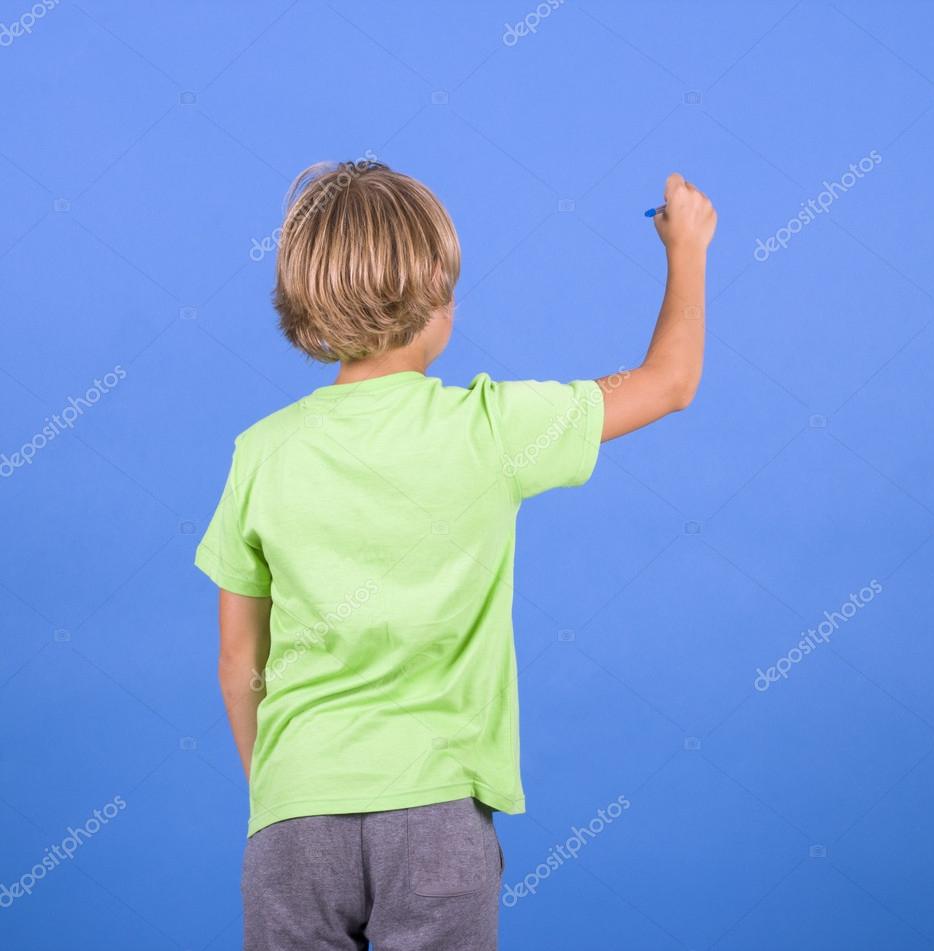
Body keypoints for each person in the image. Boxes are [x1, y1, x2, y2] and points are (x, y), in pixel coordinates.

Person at [195, 160, 715, 950]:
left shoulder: (260, 453)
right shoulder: (492, 428)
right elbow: (669, 381)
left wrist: (282, 788)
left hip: (293, 819)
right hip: (437, 818)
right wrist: (688, 248)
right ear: (437, 283)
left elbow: (240, 661)